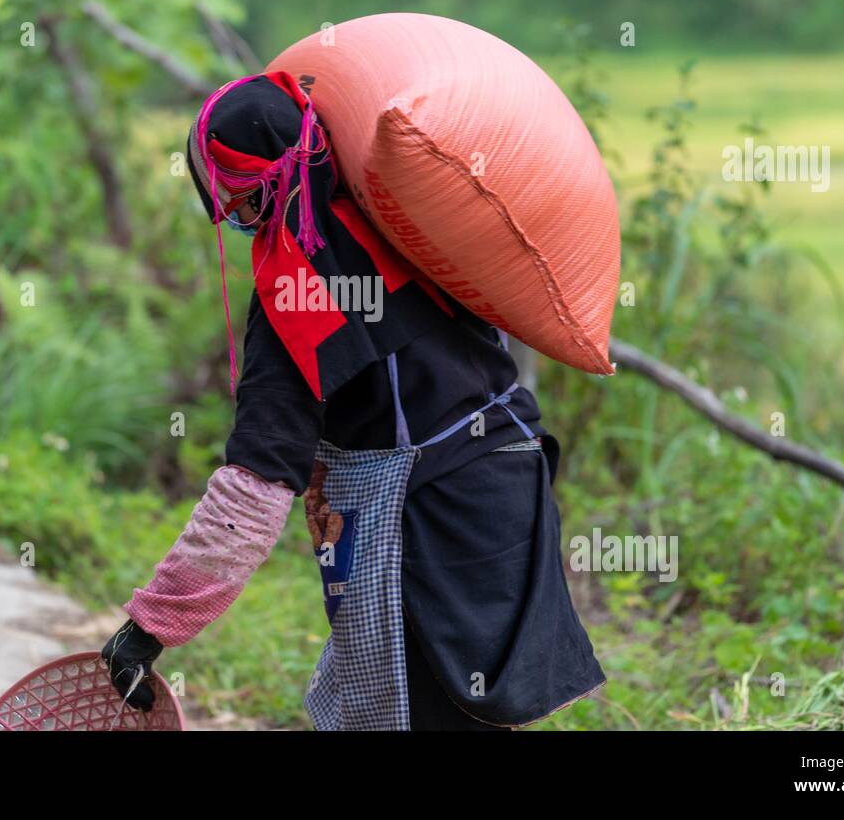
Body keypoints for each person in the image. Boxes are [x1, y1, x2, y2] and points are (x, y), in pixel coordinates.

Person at [102, 72, 605, 730]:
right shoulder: (408, 220)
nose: (240, 223)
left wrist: (149, 628)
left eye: (244, 203)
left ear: (271, 188)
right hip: (514, 487)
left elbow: (253, 487)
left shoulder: (294, 292)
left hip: (433, 523)